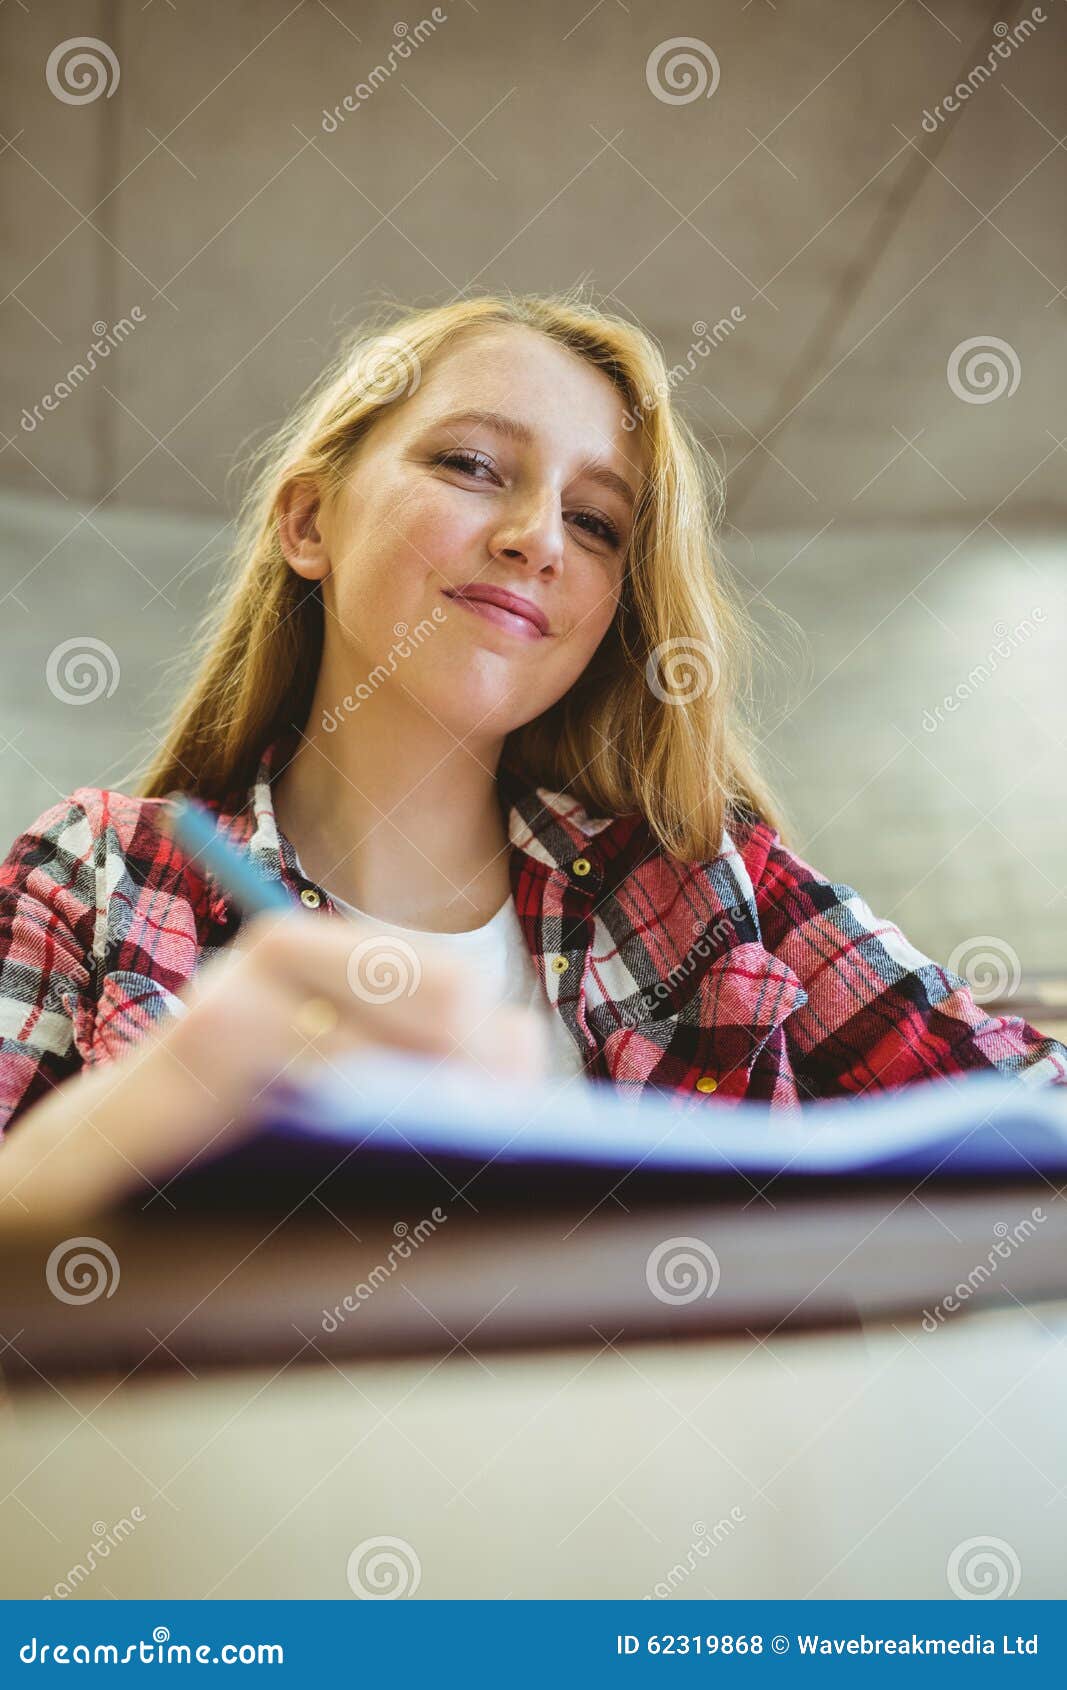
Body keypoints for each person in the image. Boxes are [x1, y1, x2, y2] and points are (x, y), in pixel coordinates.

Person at [1, 289, 1064, 1220]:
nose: (539, 539)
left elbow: (1033, 1111)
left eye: (596, 523)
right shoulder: (96, 875)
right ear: (309, 520)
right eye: (471, 464)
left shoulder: (715, 890)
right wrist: (146, 1109)